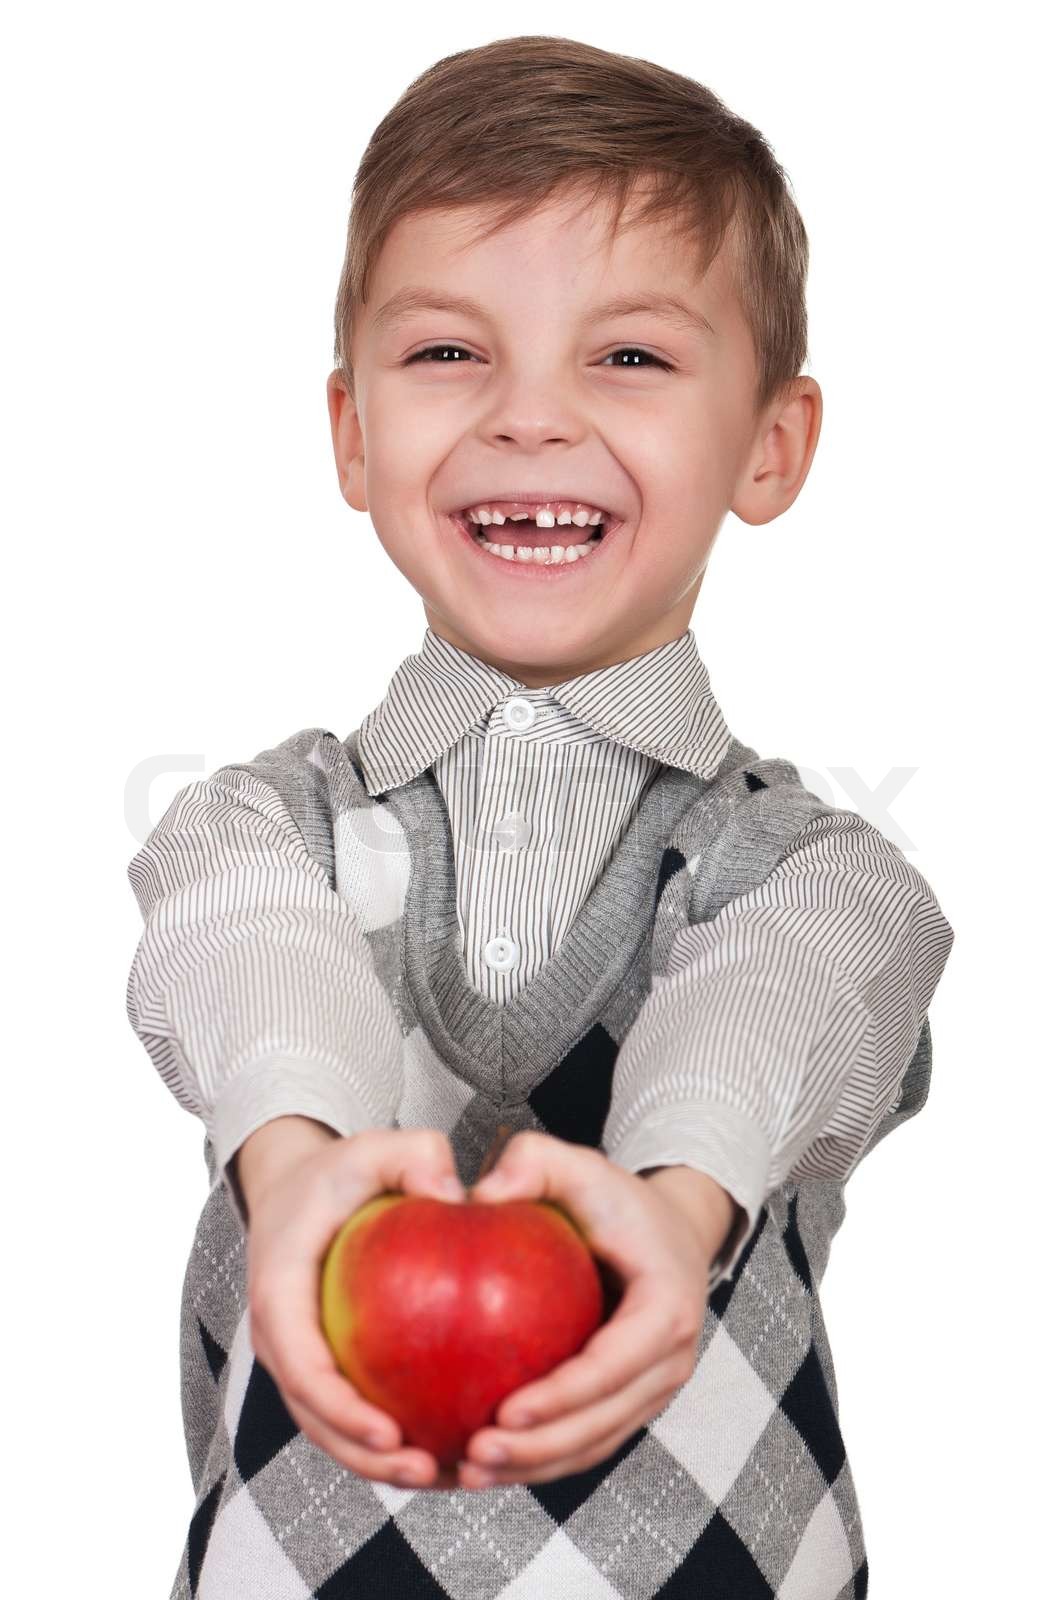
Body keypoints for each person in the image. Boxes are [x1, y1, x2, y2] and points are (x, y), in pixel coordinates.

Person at [126, 34, 955, 1598]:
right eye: (450, 354)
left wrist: (674, 1194)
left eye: (628, 358)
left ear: (771, 446)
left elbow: (774, 1008)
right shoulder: (252, 833)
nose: (529, 416)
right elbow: (250, 969)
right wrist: (303, 1165)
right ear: (353, 434)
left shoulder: (824, 880)